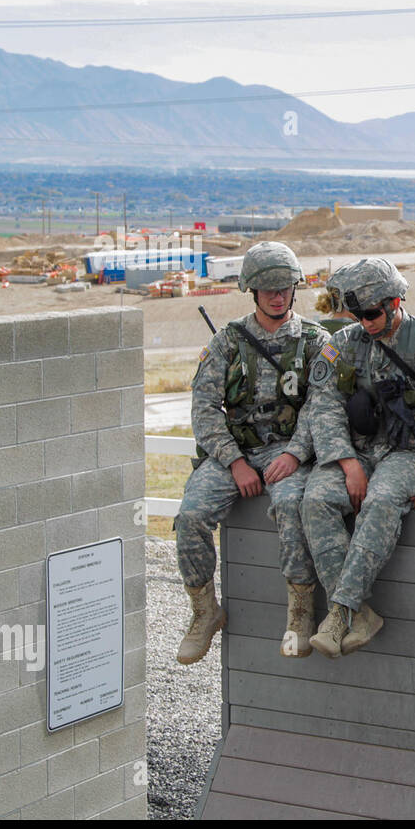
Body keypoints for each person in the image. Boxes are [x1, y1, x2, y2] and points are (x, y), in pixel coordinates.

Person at [174, 241, 329, 664]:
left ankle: (300, 613)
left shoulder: (315, 342)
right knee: (190, 517)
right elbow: (204, 411)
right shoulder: (228, 343)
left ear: (294, 290)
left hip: (287, 453)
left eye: (283, 288)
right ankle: (205, 612)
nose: (277, 296)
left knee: (292, 507)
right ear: (252, 292)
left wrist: (296, 454)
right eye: (268, 289)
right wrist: (235, 462)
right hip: (235, 453)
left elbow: (322, 407)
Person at [300, 257, 415, 658]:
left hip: (408, 453)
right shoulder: (345, 343)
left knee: (381, 501)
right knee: (316, 499)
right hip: (357, 451)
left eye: (372, 313)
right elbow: (322, 405)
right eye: (358, 314)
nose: (365, 322)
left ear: (395, 302)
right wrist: (348, 464)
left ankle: (340, 611)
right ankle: (363, 614)